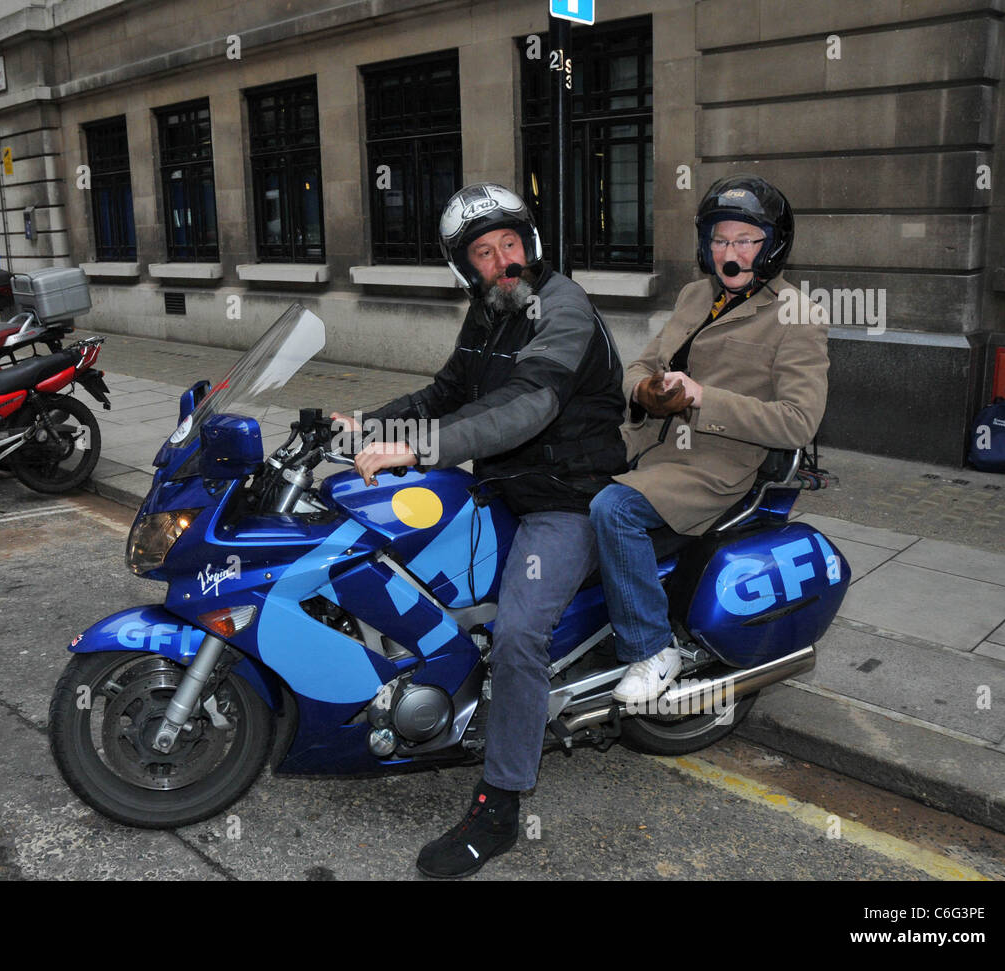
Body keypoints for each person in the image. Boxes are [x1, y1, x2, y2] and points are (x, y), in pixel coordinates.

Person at [333, 182, 627, 878]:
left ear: (531, 244)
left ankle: (500, 805)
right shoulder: (490, 311)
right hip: (499, 489)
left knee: (519, 634)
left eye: (510, 244)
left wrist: (416, 448)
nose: (502, 261)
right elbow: (446, 393)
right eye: (485, 253)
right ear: (467, 268)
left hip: (565, 500)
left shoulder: (562, 307)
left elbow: (526, 406)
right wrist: (367, 426)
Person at [589, 175, 830, 705]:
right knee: (554, 475)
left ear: (772, 245)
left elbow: (798, 422)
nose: (730, 252)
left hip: (715, 466)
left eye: (745, 240)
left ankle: (652, 648)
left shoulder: (798, 315)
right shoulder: (695, 295)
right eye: (720, 239)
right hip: (645, 443)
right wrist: (646, 392)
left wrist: (702, 398)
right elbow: (640, 366)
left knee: (614, 510)